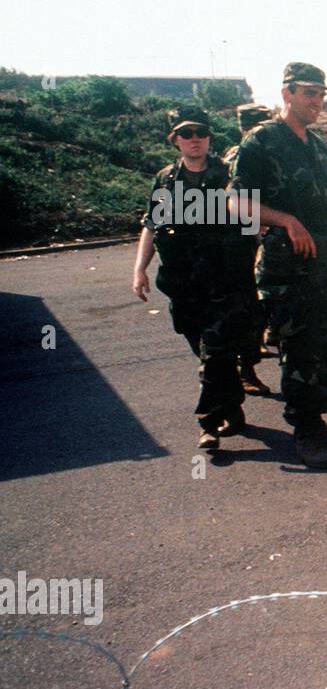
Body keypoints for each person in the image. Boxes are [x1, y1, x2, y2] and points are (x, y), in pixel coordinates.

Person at [228, 62, 327, 469]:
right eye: (309, 93)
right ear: (287, 94)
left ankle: (315, 418)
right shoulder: (262, 142)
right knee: (301, 351)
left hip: (326, 267)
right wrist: (285, 220)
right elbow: (234, 203)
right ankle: (305, 431)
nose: (317, 101)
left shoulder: (317, 146)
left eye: (322, 94)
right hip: (287, 271)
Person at [132, 106, 256, 450]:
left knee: (214, 351)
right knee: (208, 353)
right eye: (186, 134)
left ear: (209, 138)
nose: (194, 139)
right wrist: (139, 269)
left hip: (226, 283)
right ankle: (232, 406)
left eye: (200, 133)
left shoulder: (231, 175)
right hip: (184, 285)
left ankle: (209, 423)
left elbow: (253, 227)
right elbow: (152, 225)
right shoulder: (166, 180)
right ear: (175, 140)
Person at [223, 103, 275, 396]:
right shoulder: (241, 155)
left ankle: (251, 354)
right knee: (247, 307)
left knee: (257, 306)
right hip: (242, 244)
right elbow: (238, 205)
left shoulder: (258, 154)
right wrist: (257, 233)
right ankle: (245, 370)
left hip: (254, 240)